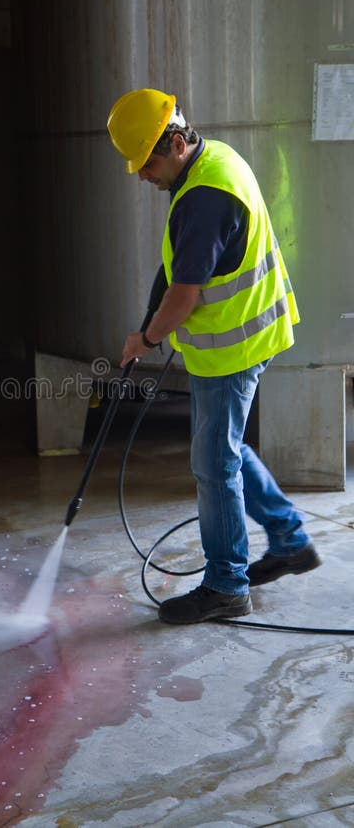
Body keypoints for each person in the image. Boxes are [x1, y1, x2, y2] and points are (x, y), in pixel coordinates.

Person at [107, 88, 321, 625]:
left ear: (177, 143)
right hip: (247, 334)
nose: (142, 175)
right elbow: (178, 267)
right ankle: (290, 540)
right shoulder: (212, 162)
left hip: (233, 348)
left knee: (213, 462)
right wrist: (148, 321)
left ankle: (227, 585)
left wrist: (148, 341)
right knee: (222, 448)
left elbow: (186, 296)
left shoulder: (204, 199)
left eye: (147, 163)